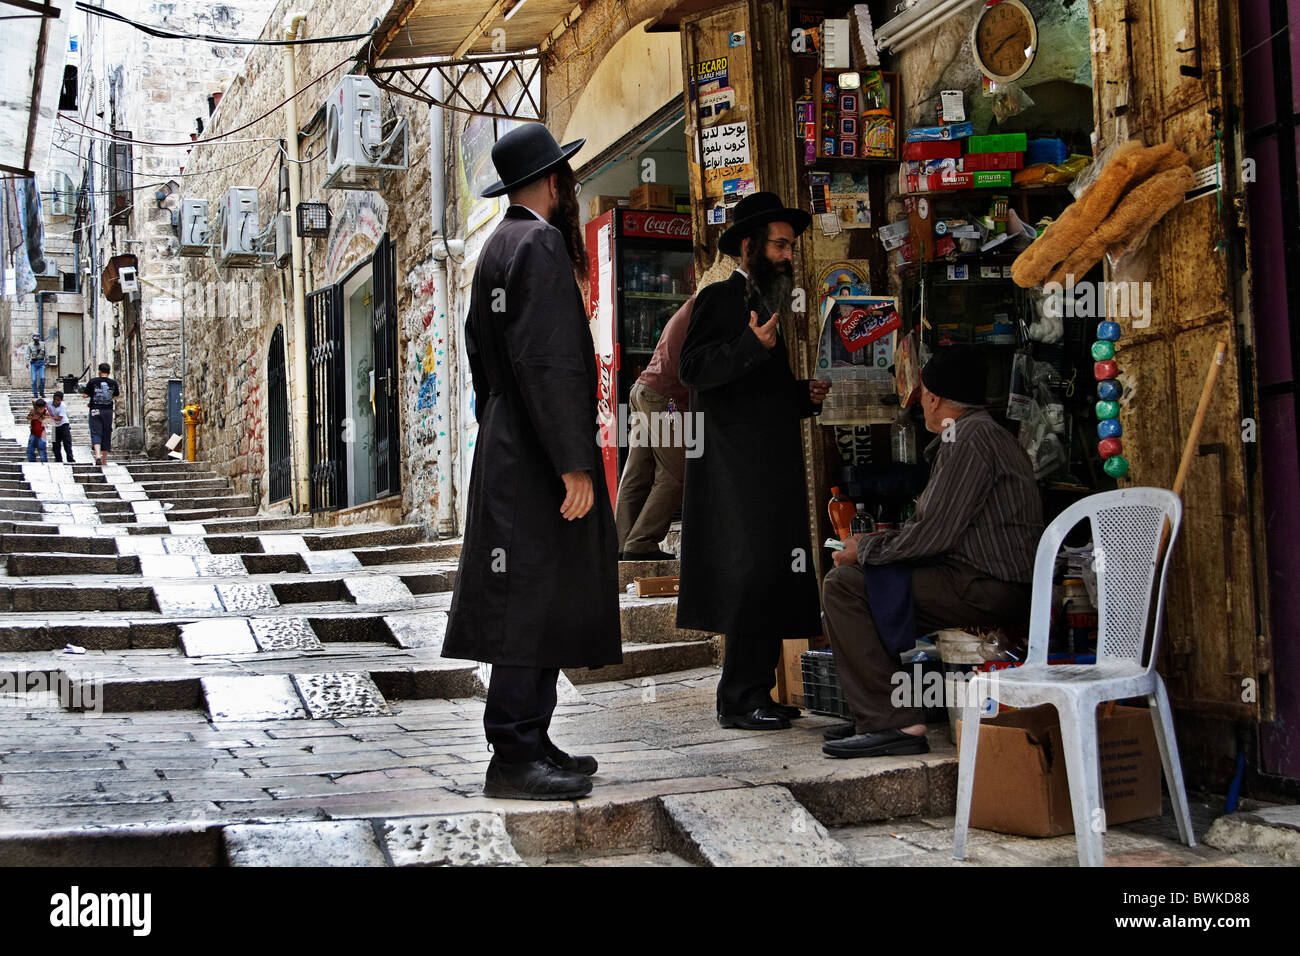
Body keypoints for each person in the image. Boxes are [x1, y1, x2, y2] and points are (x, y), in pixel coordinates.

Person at [443, 123, 620, 801]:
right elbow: (547, 364)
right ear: (555, 182)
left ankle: (533, 737)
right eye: (567, 180)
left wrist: (506, 428)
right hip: (538, 459)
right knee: (527, 601)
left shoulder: (496, 246)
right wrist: (574, 463)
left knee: (536, 596)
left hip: (510, 447)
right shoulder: (540, 243)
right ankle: (513, 754)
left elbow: (484, 363)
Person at [820, 346, 1044, 758]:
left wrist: (865, 548)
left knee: (845, 586)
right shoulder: (982, 433)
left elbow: (934, 535)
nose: (920, 400)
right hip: (980, 579)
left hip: (986, 585)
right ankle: (881, 712)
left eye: (921, 392)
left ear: (934, 398)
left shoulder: (969, 438)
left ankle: (895, 722)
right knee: (864, 582)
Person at [676, 191, 831, 731]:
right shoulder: (720, 298)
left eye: (791, 246)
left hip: (768, 468)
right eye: (781, 245)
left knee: (768, 573)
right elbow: (694, 369)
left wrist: (801, 396)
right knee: (747, 577)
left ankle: (759, 689)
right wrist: (748, 344)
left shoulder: (768, 302)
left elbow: (755, 390)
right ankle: (738, 698)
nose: (789, 255)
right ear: (749, 245)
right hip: (734, 471)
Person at [615, 295, 692, 561]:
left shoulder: (689, 307)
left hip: (643, 391)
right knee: (676, 474)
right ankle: (641, 542)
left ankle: (621, 543)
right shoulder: (709, 308)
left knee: (637, 472)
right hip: (666, 399)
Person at [81, 363, 119, 466]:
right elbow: (116, 397)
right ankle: (104, 459)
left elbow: (85, 395)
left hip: (95, 410)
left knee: (96, 432)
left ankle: (97, 455)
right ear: (109, 372)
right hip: (108, 411)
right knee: (107, 432)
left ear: (99, 371)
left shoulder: (93, 382)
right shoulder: (113, 383)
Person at [47, 390, 74, 463]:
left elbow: (59, 418)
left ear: (61, 400)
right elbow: (35, 402)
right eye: (55, 400)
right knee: (55, 443)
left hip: (64, 424)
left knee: (67, 442)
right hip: (55, 425)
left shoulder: (63, 406)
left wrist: (49, 417)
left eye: (58, 400)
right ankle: (58, 459)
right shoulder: (48, 403)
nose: (56, 402)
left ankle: (70, 458)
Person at [26, 333, 46, 398]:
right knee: (34, 379)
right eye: (35, 340)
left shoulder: (43, 344)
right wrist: (27, 362)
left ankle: (42, 392)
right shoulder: (30, 345)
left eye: (37, 340)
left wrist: (47, 360)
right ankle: (35, 394)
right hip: (34, 363)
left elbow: (46, 352)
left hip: (41, 362)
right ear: (33, 339)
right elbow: (27, 354)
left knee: (42, 378)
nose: (36, 341)